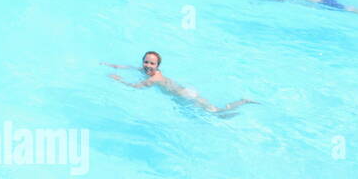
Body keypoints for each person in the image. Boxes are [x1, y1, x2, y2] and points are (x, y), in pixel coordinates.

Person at [105, 51, 255, 115]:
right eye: (146, 62)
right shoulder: (150, 72)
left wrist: (119, 80)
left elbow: (135, 87)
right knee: (214, 112)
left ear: (158, 66)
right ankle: (239, 104)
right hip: (183, 91)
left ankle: (243, 102)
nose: (148, 66)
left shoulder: (153, 78)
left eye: (152, 64)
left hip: (185, 96)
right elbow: (137, 69)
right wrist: (117, 67)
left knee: (216, 111)